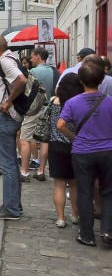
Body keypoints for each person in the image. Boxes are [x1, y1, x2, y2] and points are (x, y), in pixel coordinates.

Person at [57, 62, 112, 247]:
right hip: (107, 151)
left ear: (81, 81)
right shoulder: (109, 101)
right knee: (108, 192)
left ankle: (87, 234)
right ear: (101, 79)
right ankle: (107, 230)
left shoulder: (73, 102)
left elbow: (60, 125)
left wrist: (75, 137)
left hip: (83, 152)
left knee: (85, 192)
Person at [0, 35, 27, 220]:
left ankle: (11, 208)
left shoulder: (4, 62)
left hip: (5, 117)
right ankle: (13, 204)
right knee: (11, 164)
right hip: (9, 117)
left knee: (7, 164)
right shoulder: (11, 59)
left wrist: (7, 102)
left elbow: (21, 80)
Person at [47, 73, 83, 228]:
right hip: (75, 146)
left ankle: (60, 218)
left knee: (59, 185)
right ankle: (75, 214)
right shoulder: (78, 104)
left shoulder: (53, 102)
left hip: (55, 146)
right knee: (74, 184)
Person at [22, 48, 56, 181]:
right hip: (48, 108)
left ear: (38, 56)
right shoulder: (53, 71)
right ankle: (41, 170)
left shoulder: (33, 72)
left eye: (32, 56)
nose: (31, 59)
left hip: (34, 108)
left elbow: (27, 91)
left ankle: (24, 171)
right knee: (44, 139)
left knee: (25, 137)